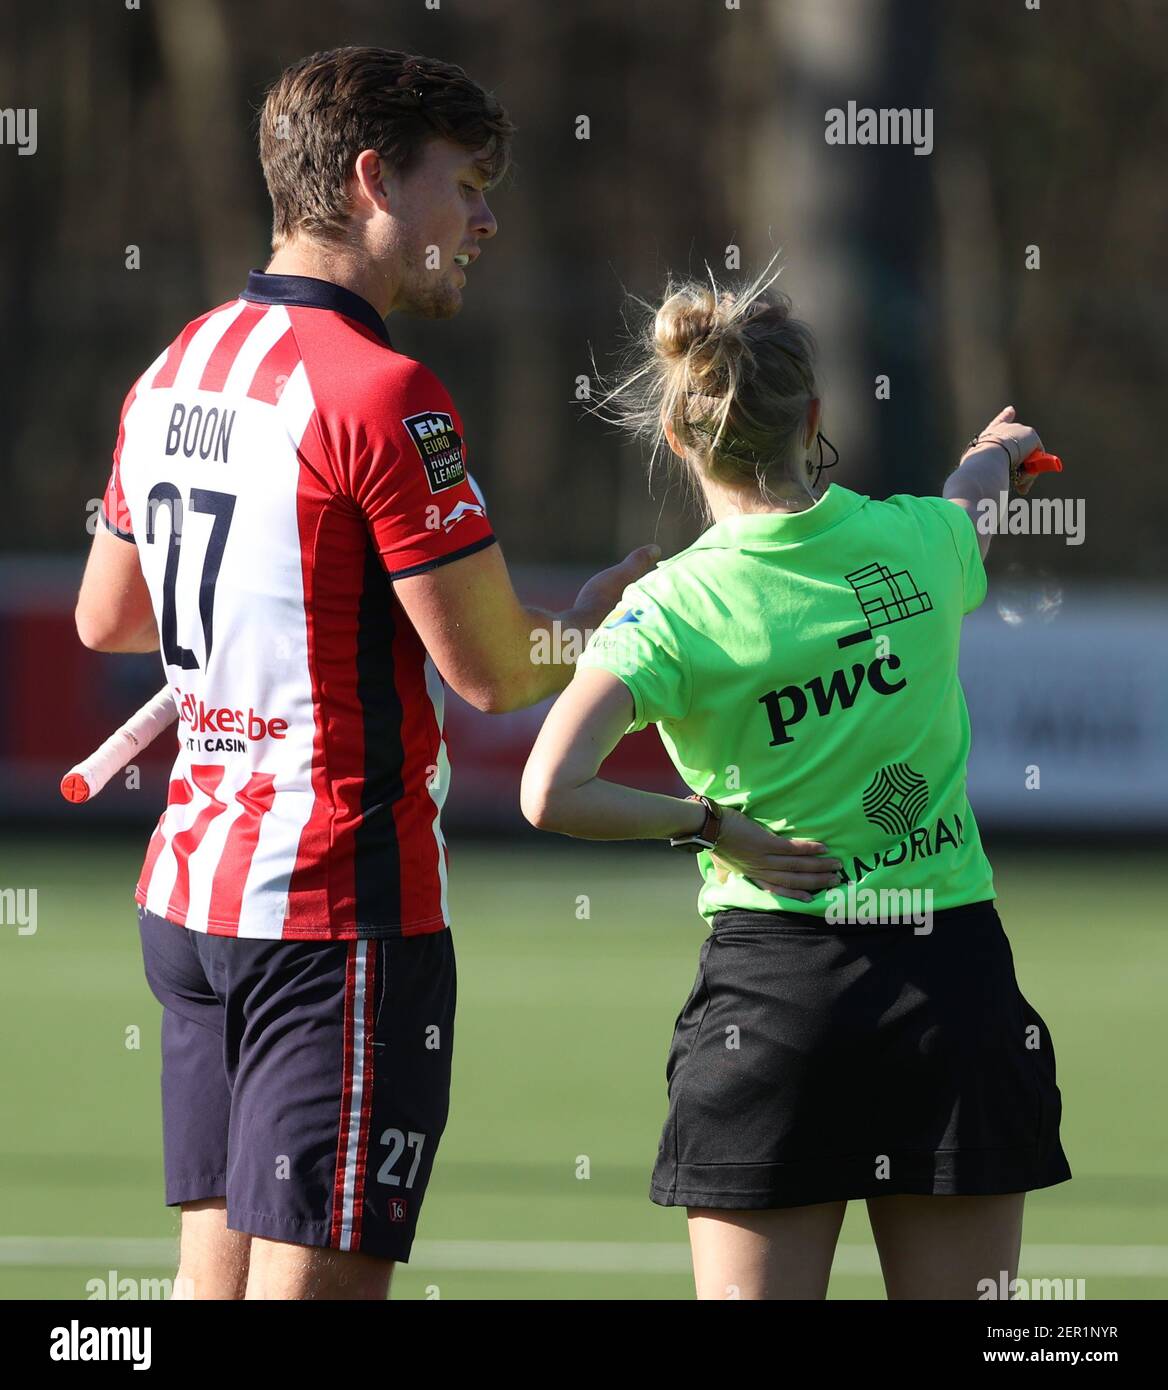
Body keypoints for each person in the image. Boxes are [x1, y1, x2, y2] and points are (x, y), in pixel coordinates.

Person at [73, 46, 657, 1301]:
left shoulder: (176, 363)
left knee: (205, 1290)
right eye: (468, 184)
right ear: (371, 179)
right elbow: (496, 674)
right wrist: (593, 627)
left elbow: (108, 618)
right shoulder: (387, 393)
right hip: (333, 911)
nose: (489, 218)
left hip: (190, 901)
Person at [520, 264, 1072, 1300]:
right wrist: (995, 454)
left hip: (772, 1009)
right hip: (949, 987)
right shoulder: (916, 540)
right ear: (813, 416)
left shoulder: (669, 607)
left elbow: (550, 790)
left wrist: (711, 825)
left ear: (679, 437)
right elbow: (972, 501)